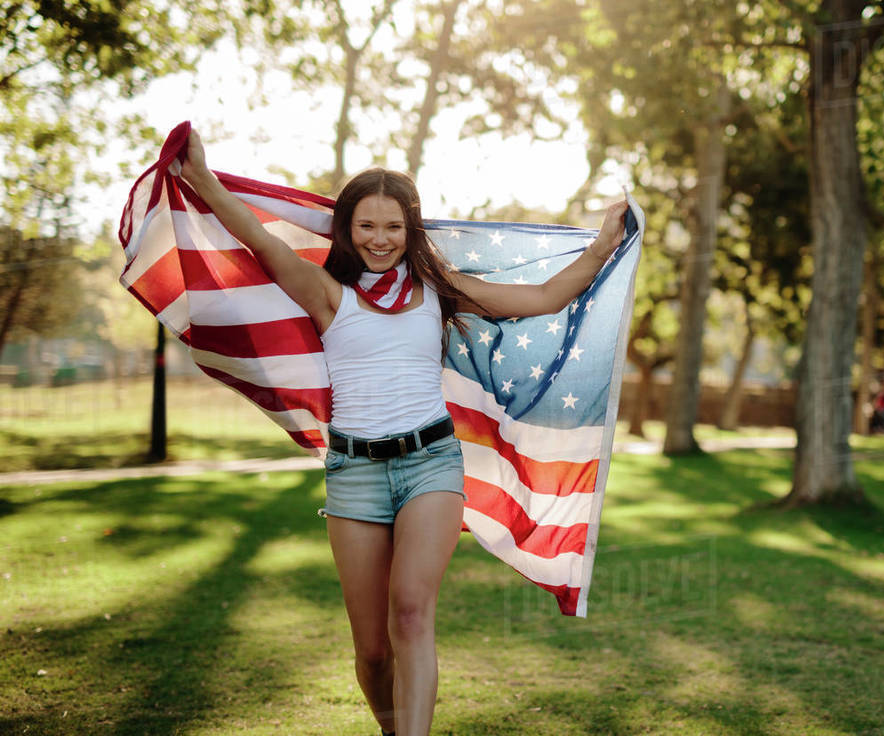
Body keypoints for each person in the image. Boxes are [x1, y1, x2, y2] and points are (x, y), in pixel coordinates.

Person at [179, 130, 627, 736]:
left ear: (410, 230)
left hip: (431, 466)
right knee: (371, 649)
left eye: (393, 226)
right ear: (346, 229)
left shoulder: (437, 294)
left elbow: (544, 296)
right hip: (354, 475)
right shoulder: (325, 293)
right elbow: (257, 237)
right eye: (366, 226)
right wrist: (203, 179)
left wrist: (603, 244)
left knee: (411, 614)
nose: (380, 239)